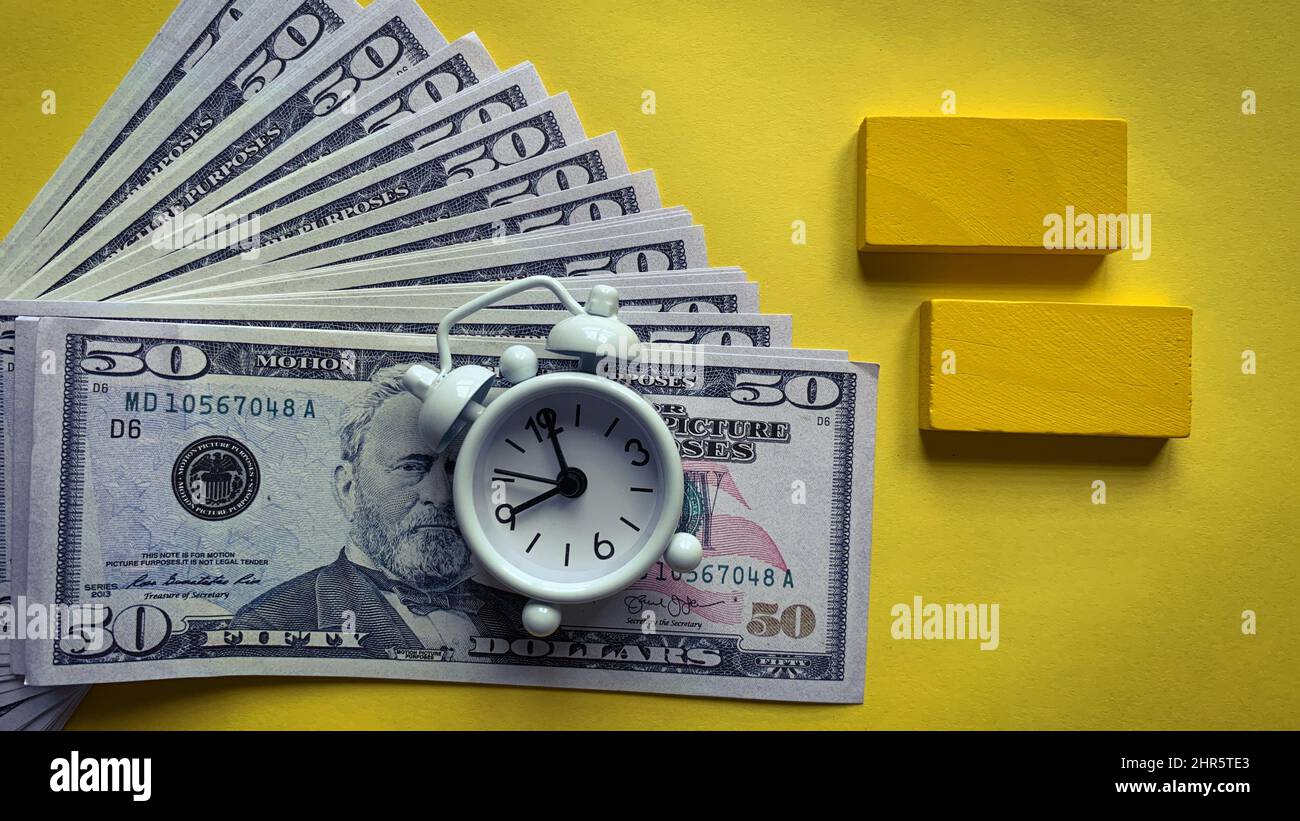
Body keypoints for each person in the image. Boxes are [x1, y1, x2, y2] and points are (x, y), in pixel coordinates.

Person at [232, 365, 523, 655]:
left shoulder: (517, 616)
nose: (441, 495)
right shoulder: (266, 622)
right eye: (411, 467)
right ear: (349, 489)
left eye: (457, 471)